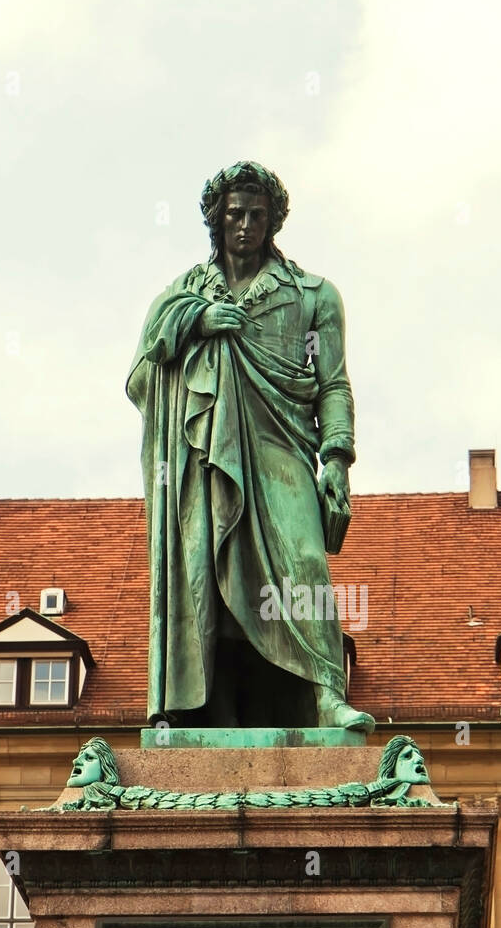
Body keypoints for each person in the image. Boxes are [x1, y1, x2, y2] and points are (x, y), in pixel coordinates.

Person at [126, 160, 374, 732]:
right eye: (235, 214)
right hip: (206, 454)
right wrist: (196, 323)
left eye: (257, 215)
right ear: (217, 219)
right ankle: (210, 706)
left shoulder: (313, 297)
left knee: (306, 562)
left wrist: (336, 457)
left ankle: (327, 694)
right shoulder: (182, 295)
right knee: (206, 579)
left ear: (273, 221)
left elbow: (333, 384)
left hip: (283, 444)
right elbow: (143, 374)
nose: (245, 226)